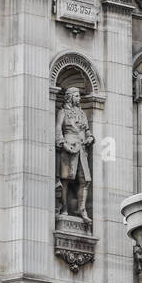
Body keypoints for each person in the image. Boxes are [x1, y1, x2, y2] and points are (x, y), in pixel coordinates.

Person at [55, 87, 93, 222]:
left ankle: (82, 210)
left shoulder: (82, 113)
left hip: (82, 149)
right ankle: (64, 208)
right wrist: (64, 144)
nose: (79, 98)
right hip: (69, 147)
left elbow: (87, 131)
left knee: (85, 180)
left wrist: (90, 138)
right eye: (77, 96)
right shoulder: (63, 112)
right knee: (66, 179)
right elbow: (58, 129)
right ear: (70, 97)